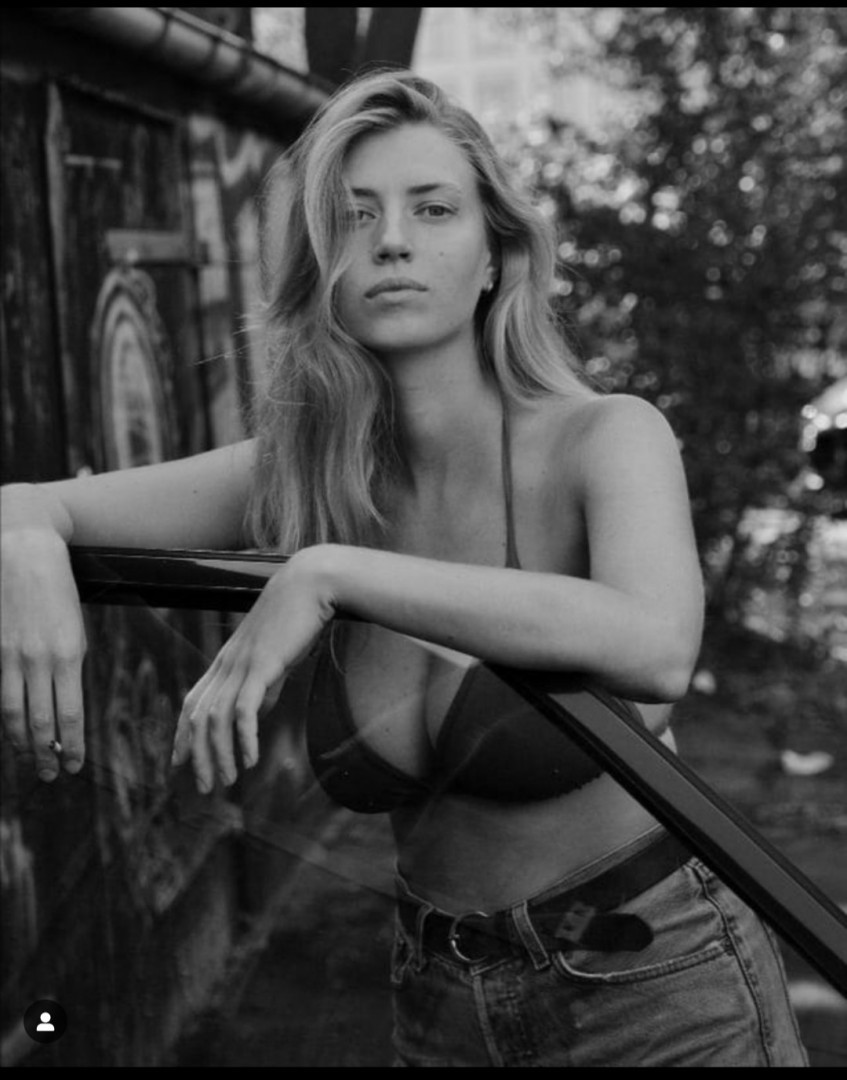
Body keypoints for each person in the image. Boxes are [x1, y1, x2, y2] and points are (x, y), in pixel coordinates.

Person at [1, 71, 807, 1067]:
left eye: (432, 209)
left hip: (655, 987)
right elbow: (30, 504)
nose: (390, 241)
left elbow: (656, 644)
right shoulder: (303, 473)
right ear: (321, 267)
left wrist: (331, 573)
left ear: (493, 254)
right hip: (437, 1001)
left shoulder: (602, 438)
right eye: (353, 216)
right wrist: (25, 545)